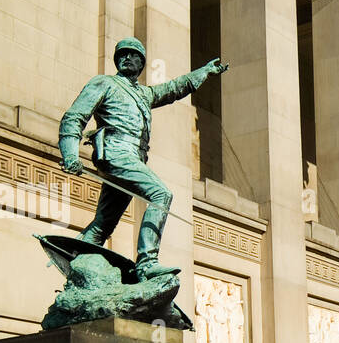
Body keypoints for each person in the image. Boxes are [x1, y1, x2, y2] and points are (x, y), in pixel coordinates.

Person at [58, 37, 227, 280]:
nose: (126, 57)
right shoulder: (103, 83)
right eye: (121, 54)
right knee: (161, 194)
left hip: (132, 159)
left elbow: (173, 89)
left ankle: (74, 257)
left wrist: (205, 71)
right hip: (115, 153)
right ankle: (147, 262)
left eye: (132, 54)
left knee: (104, 224)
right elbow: (74, 117)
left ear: (142, 63)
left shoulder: (144, 94)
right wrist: (70, 153)